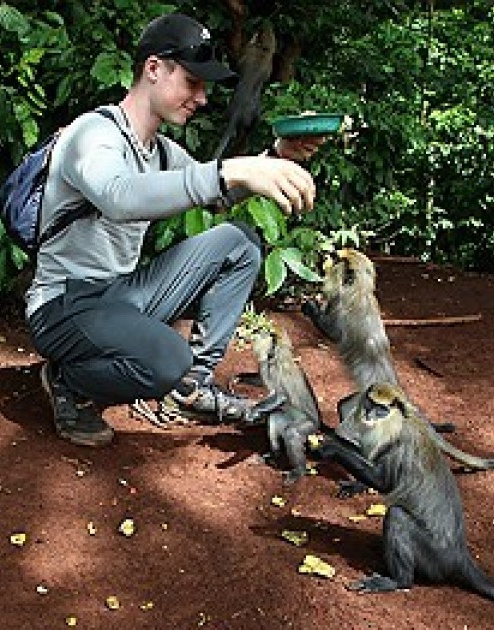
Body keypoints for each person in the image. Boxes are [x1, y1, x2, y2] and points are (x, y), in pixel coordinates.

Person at [25, 12, 325, 447]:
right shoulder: (93, 133)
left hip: (120, 294)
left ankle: (192, 387)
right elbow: (120, 196)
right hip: (64, 304)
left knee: (238, 242)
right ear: (153, 68)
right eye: (192, 82)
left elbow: (218, 194)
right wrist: (230, 169)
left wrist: (275, 155)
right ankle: (70, 380)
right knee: (166, 358)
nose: (201, 98)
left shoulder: (160, 151)